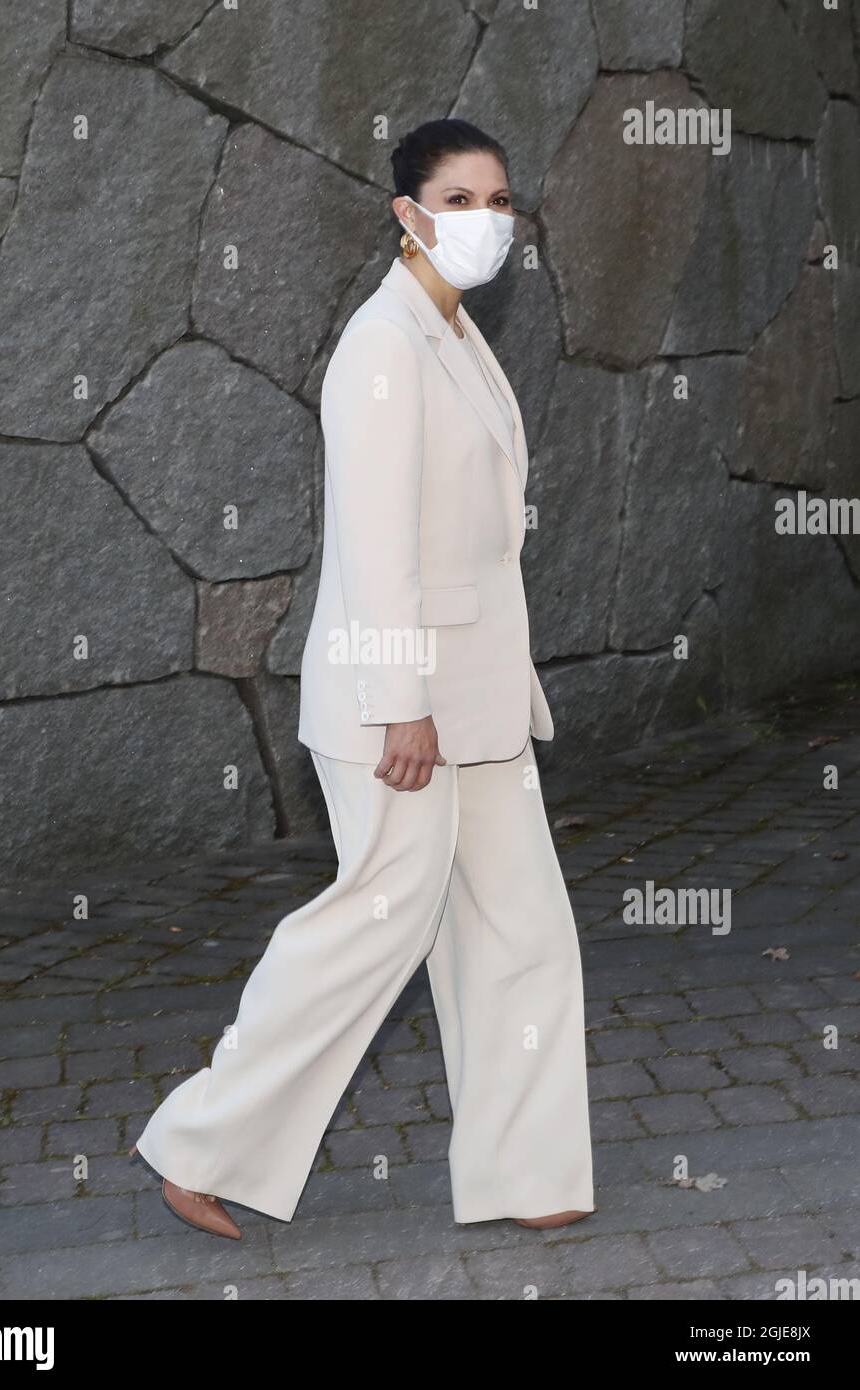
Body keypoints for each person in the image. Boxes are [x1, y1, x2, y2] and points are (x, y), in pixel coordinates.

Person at [130, 118, 596, 1241]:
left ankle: (526, 1174)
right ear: (407, 212)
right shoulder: (382, 344)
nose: (488, 219)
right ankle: (199, 1143)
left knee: (526, 931)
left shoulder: (454, 333)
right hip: (403, 703)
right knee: (369, 929)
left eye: (501, 199)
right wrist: (402, 702)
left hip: (477, 697)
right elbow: (373, 543)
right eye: (461, 198)